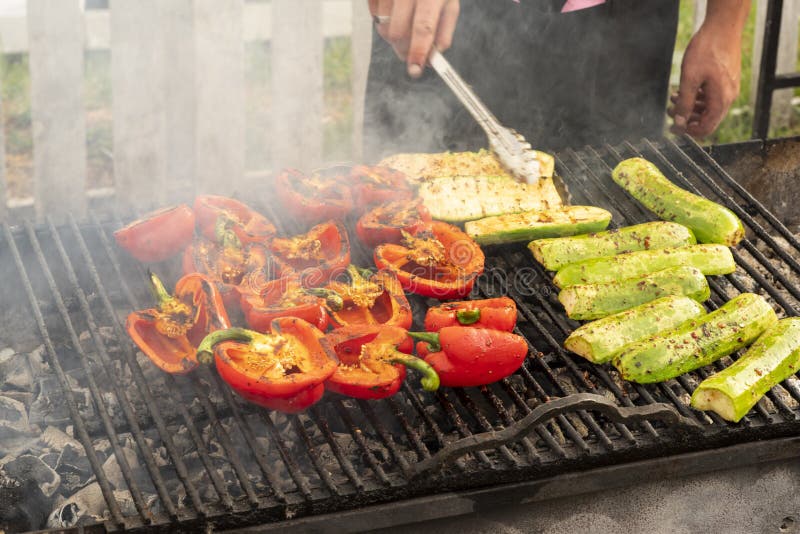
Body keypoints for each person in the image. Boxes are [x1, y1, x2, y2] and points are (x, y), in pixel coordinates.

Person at [363, 0, 751, 161]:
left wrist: (726, 21)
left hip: (620, 25)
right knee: (404, 223)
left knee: (611, 203)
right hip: (451, 16)